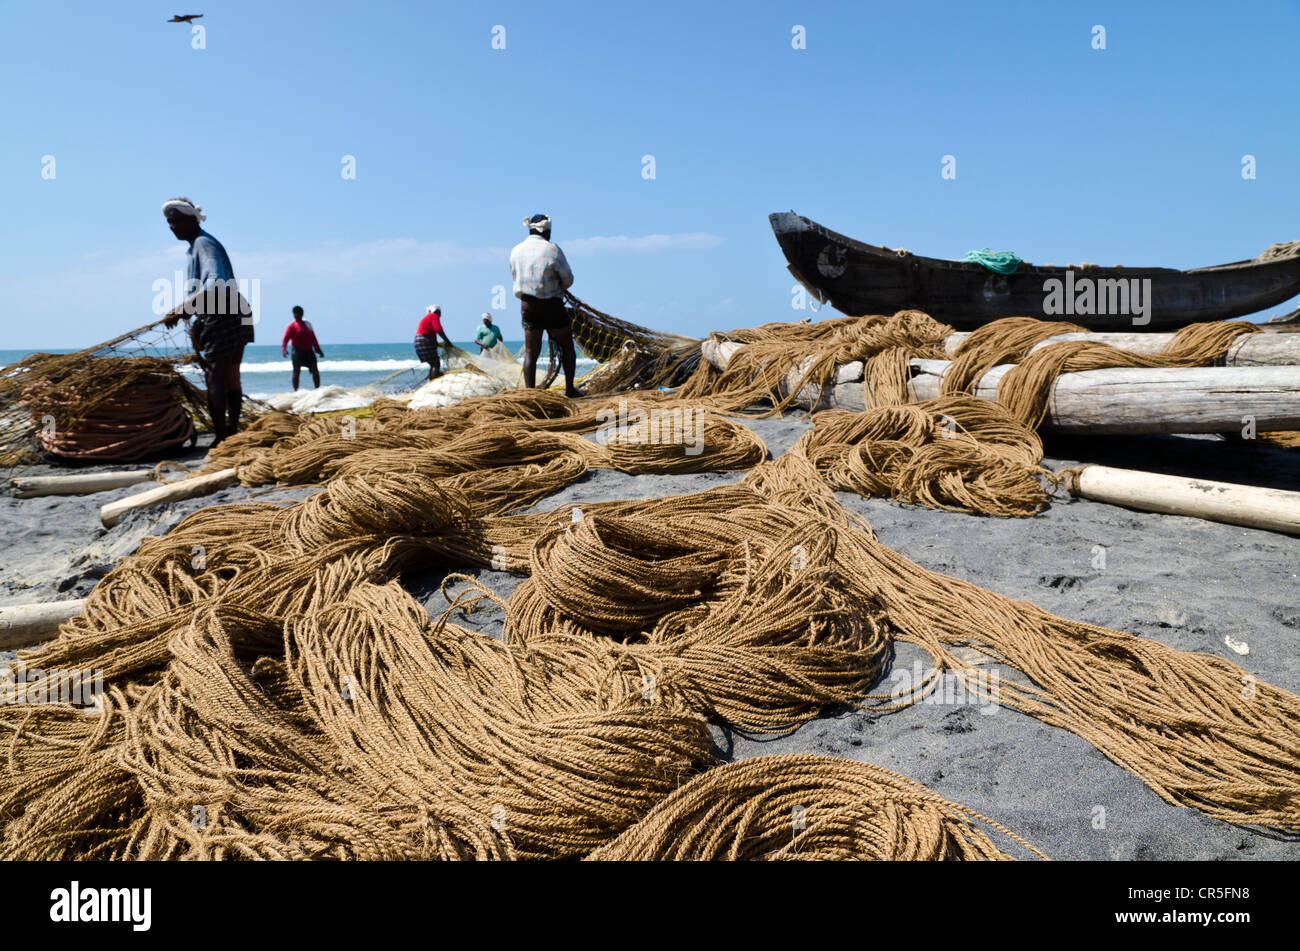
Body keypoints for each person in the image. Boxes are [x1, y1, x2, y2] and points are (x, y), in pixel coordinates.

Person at [160, 197, 254, 445]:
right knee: (231, 375)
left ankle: (222, 436)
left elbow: (215, 284)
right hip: (237, 310)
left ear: (191, 219)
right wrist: (190, 310)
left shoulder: (203, 244)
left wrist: (184, 307)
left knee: (215, 376)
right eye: (169, 223)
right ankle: (231, 431)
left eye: (175, 222)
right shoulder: (195, 247)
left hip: (224, 313)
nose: (172, 228)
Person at [508, 214, 580, 397]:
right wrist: (558, 286)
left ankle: (531, 394)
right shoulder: (552, 249)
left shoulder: (516, 250)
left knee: (531, 351)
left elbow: (515, 277)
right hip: (552, 305)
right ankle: (570, 389)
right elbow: (568, 279)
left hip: (528, 306)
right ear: (546, 230)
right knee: (566, 345)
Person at [281, 306, 324, 390]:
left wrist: (318, 350)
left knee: (315, 370)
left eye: (299, 313)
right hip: (297, 351)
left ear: (302, 314)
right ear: (293, 314)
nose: (297, 315)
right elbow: (285, 340)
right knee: (296, 371)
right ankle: (296, 391)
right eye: (295, 313)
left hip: (308, 351)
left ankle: (317, 389)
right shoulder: (291, 326)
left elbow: (313, 338)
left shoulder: (307, 324)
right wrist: (284, 350)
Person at [414, 305, 453, 380]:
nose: (440, 314)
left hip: (418, 341)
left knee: (433, 364)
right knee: (436, 364)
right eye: (440, 312)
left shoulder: (428, 317)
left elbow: (432, 334)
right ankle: (433, 383)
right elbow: (438, 329)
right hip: (424, 340)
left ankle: (432, 381)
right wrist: (447, 341)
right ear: (437, 311)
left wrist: (436, 343)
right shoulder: (434, 316)